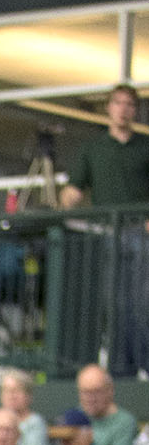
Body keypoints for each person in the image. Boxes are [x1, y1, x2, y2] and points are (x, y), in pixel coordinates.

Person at [60, 85, 149, 379]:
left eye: (129, 104)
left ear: (135, 110)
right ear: (109, 108)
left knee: (139, 300)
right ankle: (120, 368)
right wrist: (66, 199)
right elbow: (74, 189)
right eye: (118, 103)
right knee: (113, 302)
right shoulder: (93, 148)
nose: (123, 109)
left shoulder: (145, 146)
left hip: (139, 232)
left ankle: (142, 365)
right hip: (106, 233)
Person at [77, 368, 139, 445]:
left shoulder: (125, 422)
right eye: (85, 392)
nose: (91, 399)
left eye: (96, 391)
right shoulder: (75, 417)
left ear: (110, 391)